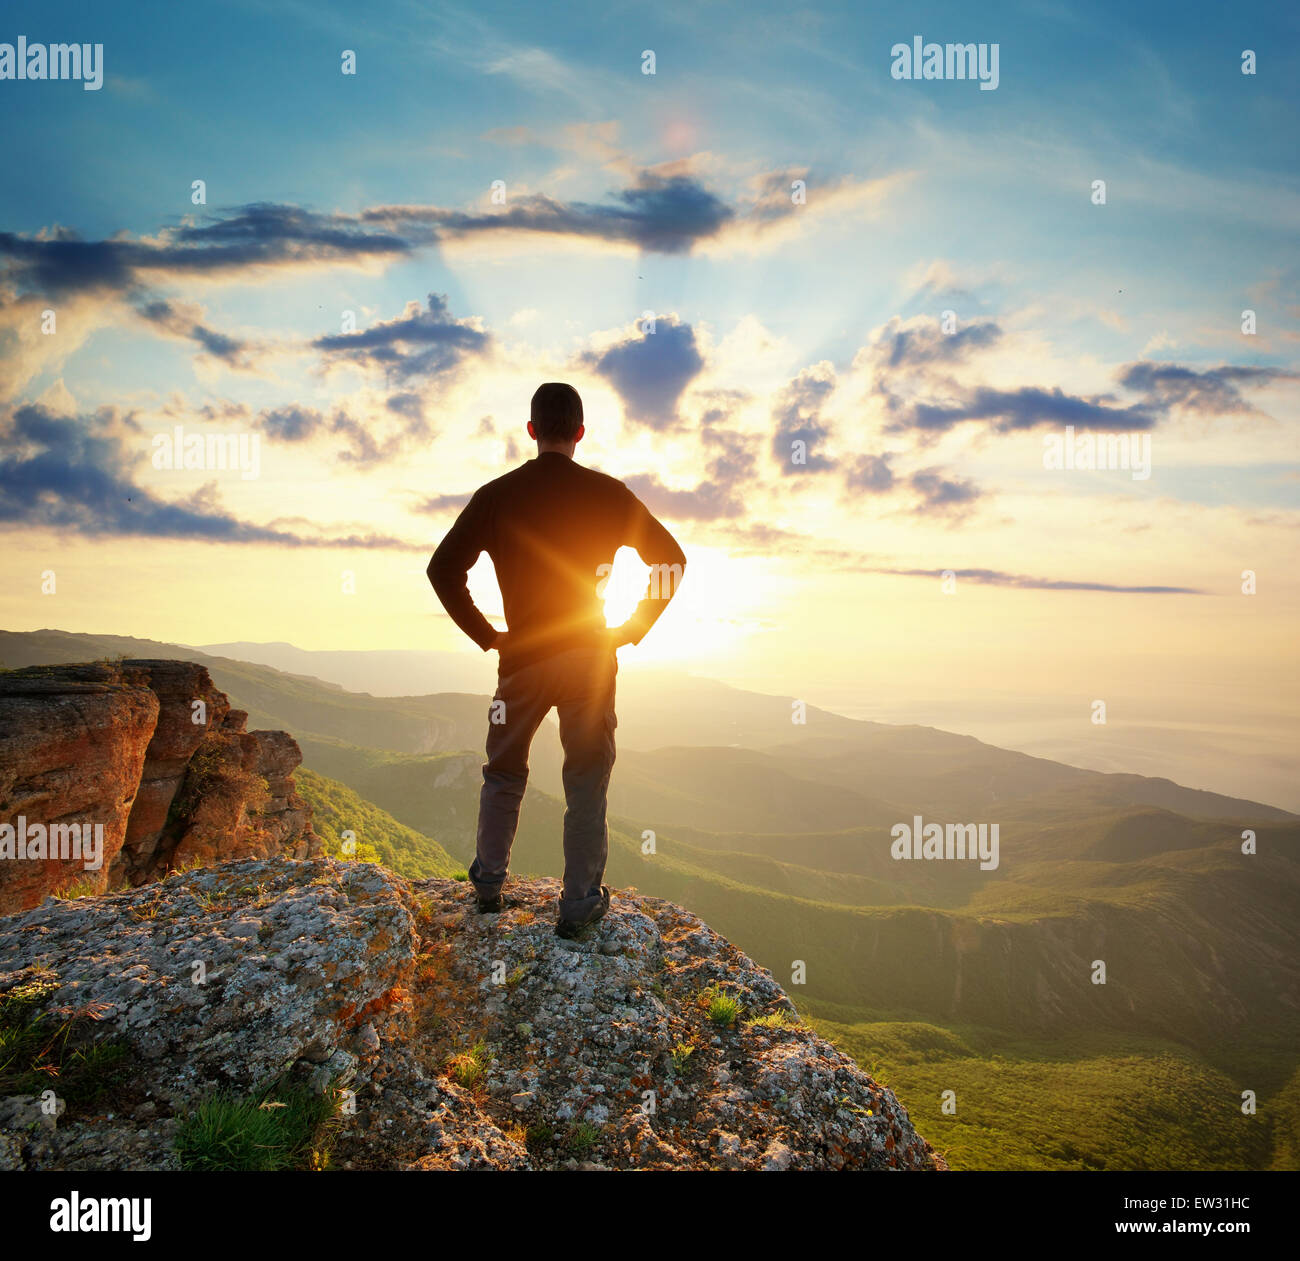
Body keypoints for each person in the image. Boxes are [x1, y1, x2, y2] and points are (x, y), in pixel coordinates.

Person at [427, 382, 686, 936]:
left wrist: (489, 636)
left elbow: (442, 570)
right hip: (590, 660)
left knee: (502, 771)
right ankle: (578, 902)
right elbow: (671, 560)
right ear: (580, 433)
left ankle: (490, 886)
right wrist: (632, 628)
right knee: (587, 779)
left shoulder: (496, 494)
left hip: (520, 660)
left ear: (531, 430)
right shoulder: (610, 494)